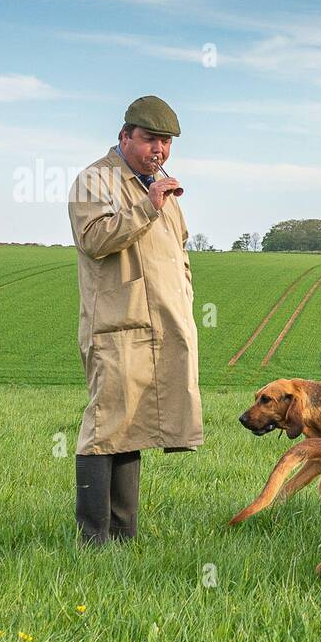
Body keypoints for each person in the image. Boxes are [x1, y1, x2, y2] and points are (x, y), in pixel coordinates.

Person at [66, 96, 202, 544]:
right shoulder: (95, 180)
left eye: (166, 142)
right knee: (105, 427)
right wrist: (147, 206)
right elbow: (94, 238)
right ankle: (92, 540)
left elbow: (178, 257)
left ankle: (123, 537)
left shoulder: (164, 188)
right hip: (117, 326)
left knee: (133, 427)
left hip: (162, 327)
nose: (159, 149)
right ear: (125, 136)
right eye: (149, 139)